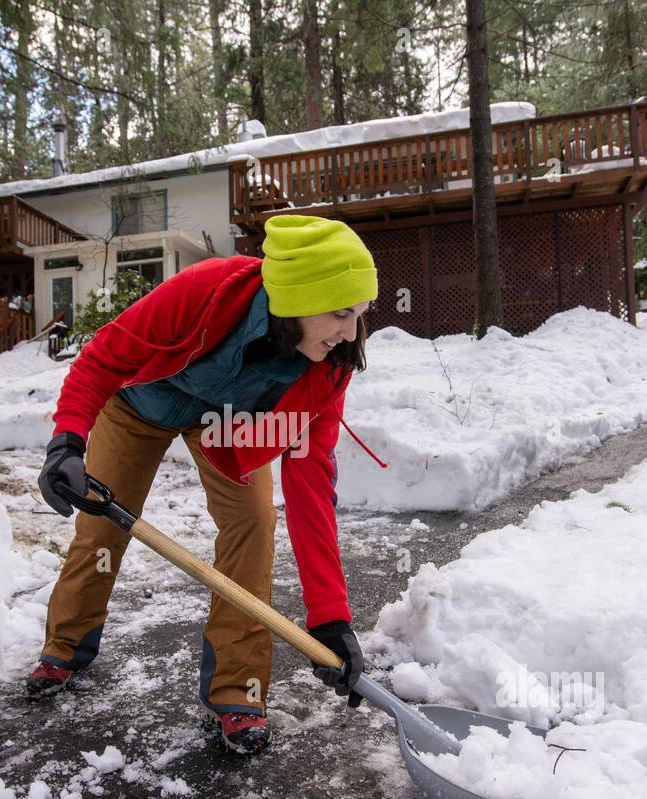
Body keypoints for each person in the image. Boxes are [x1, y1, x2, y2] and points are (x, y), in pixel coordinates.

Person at [30, 214, 386, 755]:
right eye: (339, 313)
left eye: (359, 315)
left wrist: (329, 618)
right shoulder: (206, 291)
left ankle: (237, 694)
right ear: (293, 300)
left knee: (254, 523)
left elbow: (313, 491)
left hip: (226, 428)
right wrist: (67, 442)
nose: (350, 333)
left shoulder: (325, 369)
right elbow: (100, 359)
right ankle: (64, 648)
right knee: (101, 525)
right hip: (138, 405)